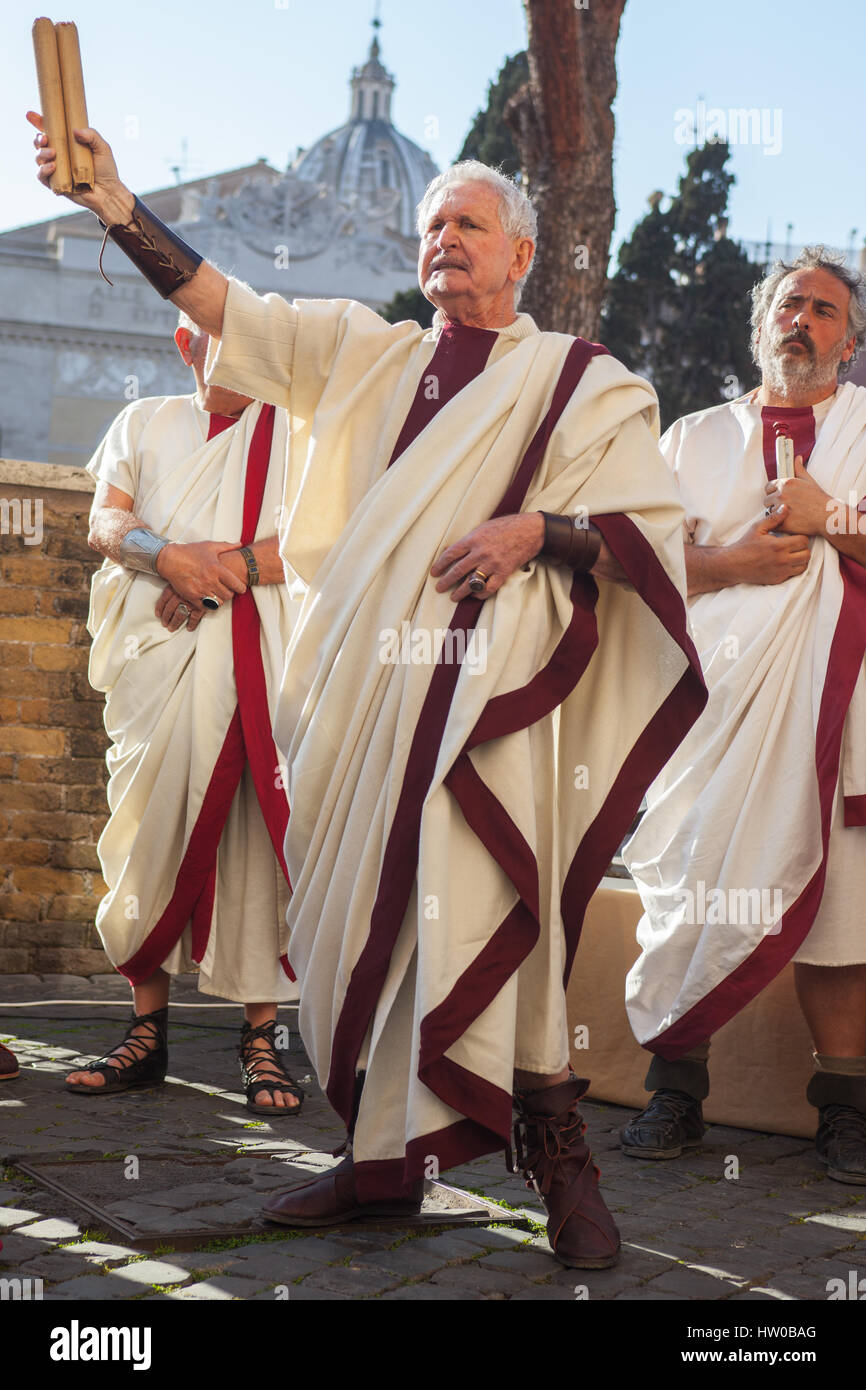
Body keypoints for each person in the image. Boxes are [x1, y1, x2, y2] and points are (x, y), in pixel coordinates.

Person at [30, 115, 706, 1267]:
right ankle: (381, 1159)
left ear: (520, 257)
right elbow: (223, 305)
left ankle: (561, 1164)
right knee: (363, 935)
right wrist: (114, 205)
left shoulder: (576, 383)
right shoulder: (365, 353)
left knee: (507, 919)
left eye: (470, 225)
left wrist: (535, 527)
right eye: (433, 224)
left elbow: (649, 538)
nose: (445, 240)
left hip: (497, 712)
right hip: (361, 703)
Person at [621, 248, 866, 1185]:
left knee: (840, 912)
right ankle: (673, 1089)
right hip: (710, 712)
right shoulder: (694, 437)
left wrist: (827, 515)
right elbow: (637, 565)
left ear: (850, 341)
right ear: (762, 321)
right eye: (791, 303)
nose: (804, 319)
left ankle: (843, 1109)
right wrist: (730, 565)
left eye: (826, 310)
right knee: (691, 883)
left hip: (835, 714)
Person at [62, 312, 304, 1116]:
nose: (224, 350)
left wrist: (216, 571)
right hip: (154, 665)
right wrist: (167, 556)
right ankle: (144, 1031)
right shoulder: (144, 420)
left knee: (249, 840)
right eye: (207, 334)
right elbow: (105, 520)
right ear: (181, 342)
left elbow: (315, 544)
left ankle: (261, 1038)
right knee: (147, 830)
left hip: (250, 665)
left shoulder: (296, 437)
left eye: (242, 336)